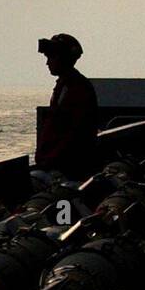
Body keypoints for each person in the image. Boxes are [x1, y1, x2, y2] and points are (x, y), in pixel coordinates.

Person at [34, 34, 98, 180]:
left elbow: (74, 131)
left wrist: (50, 159)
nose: (47, 63)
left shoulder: (75, 87)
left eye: (51, 57)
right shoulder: (68, 84)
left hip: (69, 169)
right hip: (63, 166)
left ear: (63, 58)